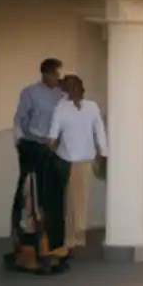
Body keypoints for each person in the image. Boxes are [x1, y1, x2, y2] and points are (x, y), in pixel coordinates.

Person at [9, 58, 68, 273]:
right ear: (45, 73)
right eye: (55, 74)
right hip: (34, 149)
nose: (58, 78)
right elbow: (21, 121)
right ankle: (28, 253)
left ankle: (53, 251)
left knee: (54, 201)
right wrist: (26, 146)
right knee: (31, 199)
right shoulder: (30, 93)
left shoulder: (62, 96)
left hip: (55, 152)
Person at [47, 75, 109, 257]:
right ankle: (70, 239)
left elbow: (99, 130)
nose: (73, 91)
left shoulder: (92, 107)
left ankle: (76, 238)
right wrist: (47, 147)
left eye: (75, 87)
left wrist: (104, 154)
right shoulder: (61, 108)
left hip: (85, 159)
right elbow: (53, 133)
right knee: (71, 201)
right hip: (67, 159)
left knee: (80, 200)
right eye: (69, 88)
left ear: (81, 88)